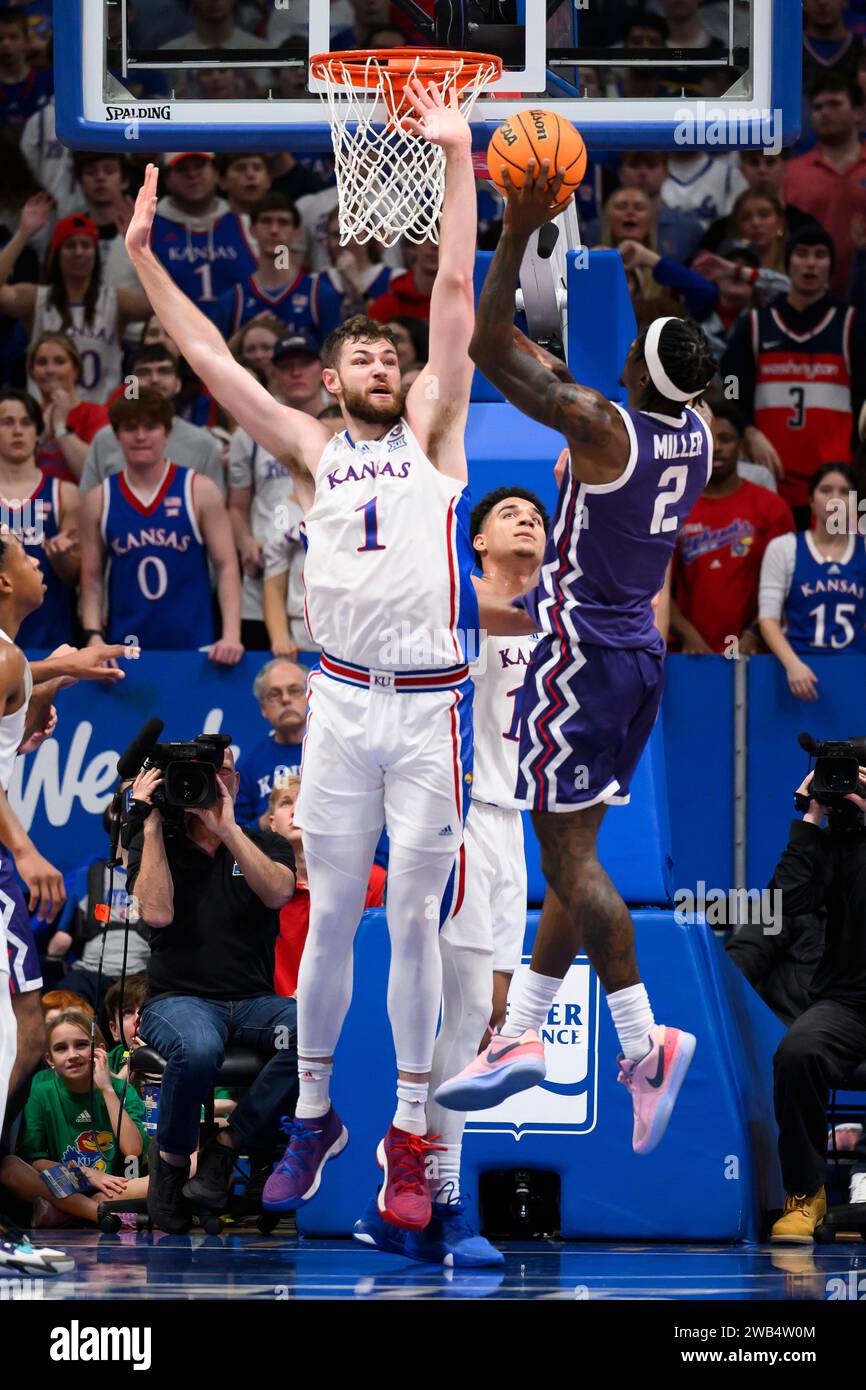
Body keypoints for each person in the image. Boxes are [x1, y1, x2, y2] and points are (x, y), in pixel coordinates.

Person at [123, 79, 480, 1233]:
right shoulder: (315, 446)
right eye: (365, 354)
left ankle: (412, 1131)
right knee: (329, 917)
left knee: (414, 920)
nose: (384, 362)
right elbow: (212, 358)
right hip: (337, 700)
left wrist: (460, 157)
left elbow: (461, 290)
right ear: (331, 379)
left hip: (426, 705)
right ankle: (317, 1111)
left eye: (393, 352)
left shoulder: (436, 431)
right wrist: (141, 253)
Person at [434, 160, 716, 1156]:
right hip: (635, 653)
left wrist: (517, 227)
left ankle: (643, 1044)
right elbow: (643, 399)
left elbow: (488, 343)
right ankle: (518, 1037)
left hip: (580, 656)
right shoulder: (699, 433)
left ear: (636, 375)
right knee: (572, 858)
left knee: (567, 858)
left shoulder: (602, 428)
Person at [357, 485, 548, 1268]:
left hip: (514, 829)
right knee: (466, 1018)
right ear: (474, 544)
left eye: (537, 514)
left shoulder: (553, 619)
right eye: (509, 515)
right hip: (461, 820)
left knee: (485, 1021)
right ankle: (439, 1199)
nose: (528, 520)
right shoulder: (461, 605)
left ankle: (399, 1186)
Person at [127, 744, 297, 1233]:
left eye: (221, 774)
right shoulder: (157, 839)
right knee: (198, 1048)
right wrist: (153, 823)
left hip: (253, 1004)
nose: (209, 785)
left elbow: (278, 892)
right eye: (199, 775)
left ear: (237, 782)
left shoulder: (265, 842)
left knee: (311, 1035)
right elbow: (157, 913)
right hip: (177, 1001)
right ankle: (173, 1165)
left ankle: (227, 1145)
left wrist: (227, 830)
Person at [767, 765, 866, 1240]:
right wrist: (810, 819)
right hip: (847, 1003)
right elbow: (780, 905)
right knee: (797, 1052)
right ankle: (807, 1194)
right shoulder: (834, 849)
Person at [77, 390, 243, 663]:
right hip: (125, 650)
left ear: (167, 433)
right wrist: (93, 635)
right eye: (130, 428)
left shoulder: (200, 490)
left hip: (196, 647)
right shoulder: (98, 499)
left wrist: (231, 635)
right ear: (117, 435)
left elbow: (226, 566)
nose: (141, 436)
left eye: (151, 427)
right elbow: (91, 579)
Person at [721, 223, 866, 525]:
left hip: (835, 483)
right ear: (788, 264)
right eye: (801, 254)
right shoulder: (755, 325)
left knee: (829, 567)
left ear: (831, 265)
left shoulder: (852, 324)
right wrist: (747, 428)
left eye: (820, 255)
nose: (810, 263)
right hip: (772, 479)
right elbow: (731, 387)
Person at [669, 406, 795, 654]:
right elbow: (657, 587)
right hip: (690, 653)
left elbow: (789, 584)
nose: (716, 447)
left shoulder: (771, 508)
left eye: (725, 439)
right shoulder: (675, 507)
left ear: (742, 447)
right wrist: (688, 635)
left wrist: (757, 633)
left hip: (756, 654)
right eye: (709, 438)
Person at [0, 200, 152, 404]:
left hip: (100, 420)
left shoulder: (117, 300)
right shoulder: (36, 299)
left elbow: (164, 303)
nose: (79, 252)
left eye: (86, 245)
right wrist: (24, 233)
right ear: (56, 254)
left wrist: (140, 249)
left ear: (95, 253)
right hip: (46, 418)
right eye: (70, 245)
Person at [269, 777, 386, 998]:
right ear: (272, 823)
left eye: (306, 799)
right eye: (286, 802)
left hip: (353, 1004)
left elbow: (378, 959)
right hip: (273, 1013)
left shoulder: (372, 881)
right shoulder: (261, 887)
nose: (296, 809)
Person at [758, 463, 866, 700]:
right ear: (810, 499)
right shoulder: (784, 548)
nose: (835, 499)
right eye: (826, 491)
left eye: (845, 492)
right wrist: (792, 664)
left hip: (856, 667)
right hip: (798, 668)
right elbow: (768, 619)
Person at [79, 343, 225, 496]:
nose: (154, 379)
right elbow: (88, 503)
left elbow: (214, 510)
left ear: (177, 384)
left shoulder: (203, 444)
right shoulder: (104, 439)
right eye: (143, 372)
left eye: (164, 371)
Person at [0, 388, 78, 650]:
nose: (18, 430)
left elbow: (77, 576)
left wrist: (63, 556)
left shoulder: (64, 493)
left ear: (38, 432)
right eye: (7, 422)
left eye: (26, 422)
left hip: (51, 640)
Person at [784, 75, 866, 298]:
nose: (824, 113)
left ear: (859, 113)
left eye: (835, 104)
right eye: (818, 107)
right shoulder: (791, 172)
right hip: (808, 292)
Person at [150, 152, 258, 310]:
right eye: (182, 169)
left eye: (199, 166)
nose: (192, 174)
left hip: (241, 330)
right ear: (167, 180)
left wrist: (283, 258)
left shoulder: (247, 224)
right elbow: (122, 296)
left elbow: (280, 267)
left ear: (216, 174)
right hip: (171, 331)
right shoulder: (146, 229)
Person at [208, 194, 316, 340]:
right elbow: (217, 357)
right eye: (266, 221)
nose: (274, 230)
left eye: (283, 222)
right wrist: (245, 333)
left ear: (296, 234)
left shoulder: (318, 294)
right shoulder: (232, 299)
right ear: (252, 230)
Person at [234, 658, 306, 831]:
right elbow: (235, 832)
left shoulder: (335, 753)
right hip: (271, 854)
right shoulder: (249, 766)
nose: (286, 699)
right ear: (263, 708)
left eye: (294, 690)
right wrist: (266, 822)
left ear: (310, 696)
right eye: (275, 694)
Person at [28, 332, 109, 484]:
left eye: (59, 361)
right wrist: (41, 433)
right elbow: (10, 471)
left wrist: (60, 429)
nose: (50, 369)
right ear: (32, 372)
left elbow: (97, 475)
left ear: (76, 369)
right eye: (42, 362)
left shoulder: (97, 414)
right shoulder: (24, 416)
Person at [0, 5, 52, 143]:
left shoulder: (47, 81)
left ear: (27, 40)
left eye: (13, 37)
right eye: (0, 38)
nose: (6, 44)